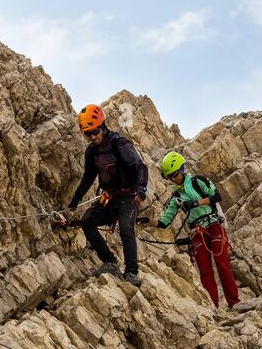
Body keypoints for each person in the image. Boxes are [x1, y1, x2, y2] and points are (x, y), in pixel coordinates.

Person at [65, 104, 148, 286]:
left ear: (103, 125)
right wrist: (75, 201)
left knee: (126, 227)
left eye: (95, 131)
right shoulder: (92, 152)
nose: (93, 137)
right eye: (88, 134)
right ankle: (110, 262)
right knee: (88, 221)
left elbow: (140, 167)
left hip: (129, 196)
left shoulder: (120, 144)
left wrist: (141, 189)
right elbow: (88, 178)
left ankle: (131, 273)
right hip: (110, 197)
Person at [152, 151, 239, 308]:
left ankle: (234, 302)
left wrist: (195, 203)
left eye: (175, 174)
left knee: (222, 262)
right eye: (170, 176)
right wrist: (147, 221)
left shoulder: (198, 181)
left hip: (214, 224)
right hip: (197, 232)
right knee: (205, 271)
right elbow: (165, 222)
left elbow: (216, 196)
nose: (173, 178)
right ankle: (214, 308)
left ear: (182, 169)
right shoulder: (175, 197)